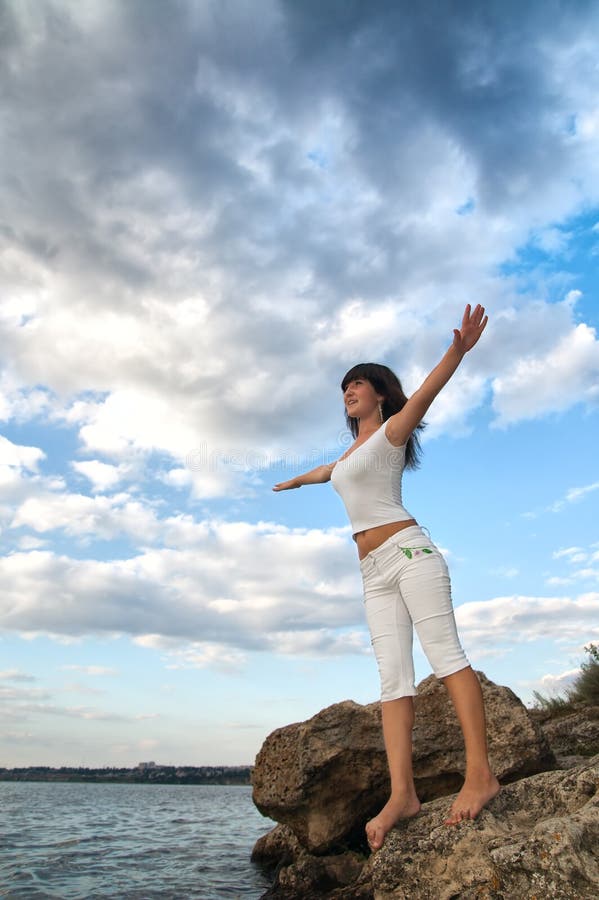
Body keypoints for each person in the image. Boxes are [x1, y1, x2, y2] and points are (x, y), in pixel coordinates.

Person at [273, 304, 500, 851]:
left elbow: (426, 393)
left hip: (408, 553)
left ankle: (481, 775)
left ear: (378, 394)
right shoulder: (350, 453)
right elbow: (328, 471)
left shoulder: (392, 433)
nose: (348, 390)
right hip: (372, 571)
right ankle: (402, 794)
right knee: (392, 681)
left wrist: (458, 350)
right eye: (344, 386)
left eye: (358, 384)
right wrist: (297, 481)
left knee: (446, 657)